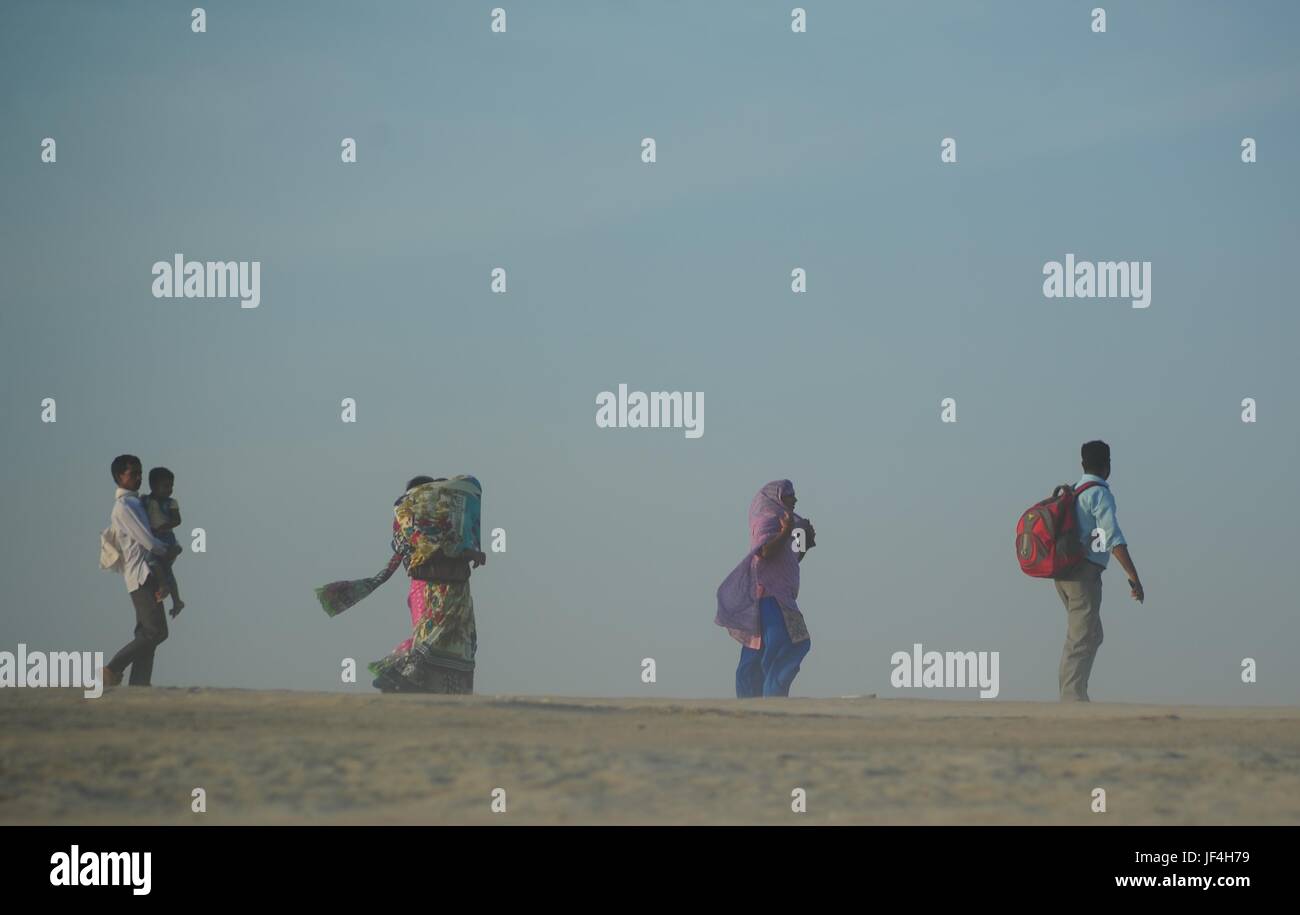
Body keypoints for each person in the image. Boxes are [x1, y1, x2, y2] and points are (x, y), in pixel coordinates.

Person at [316, 475, 487, 694]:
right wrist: (470, 552)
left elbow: (412, 553)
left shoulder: (405, 523)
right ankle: (400, 674)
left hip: (420, 588)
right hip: (443, 587)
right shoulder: (442, 527)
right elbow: (444, 547)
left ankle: (407, 679)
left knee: (429, 635)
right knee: (438, 637)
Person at [1056, 440, 1144, 702]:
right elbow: (1112, 537)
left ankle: (1075, 694)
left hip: (1063, 575)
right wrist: (1134, 577)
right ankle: (1071, 702)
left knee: (1092, 634)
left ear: (1083, 464)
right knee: (1080, 639)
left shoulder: (1074, 491)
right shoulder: (1099, 493)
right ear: (1107, 467)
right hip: (1083, 575)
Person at [716, 480, 816, 697]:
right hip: (772, 601)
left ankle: (754, 705)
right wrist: (786, 530)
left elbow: (786, 562)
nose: (794, 499)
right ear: (777, 497)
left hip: (772, 599)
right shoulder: (767, 520)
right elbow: (764, 552)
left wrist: (803, 543)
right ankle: (771, 698)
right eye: (790, 495)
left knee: (758, 655)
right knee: (791, 645)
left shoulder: (782, 522)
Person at [101, 455, 183, 687]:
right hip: (140, 576)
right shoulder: (124, 507)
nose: (138, 477)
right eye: (132, 473)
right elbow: (147, 540)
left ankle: (139, 684)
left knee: (149, 633)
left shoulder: (138, 502)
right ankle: (112, 669)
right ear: (119, 477)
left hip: (149, 574)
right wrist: (168, 550)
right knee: (154, 632)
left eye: (140, 473)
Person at [141, 466, 184, 616]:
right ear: (153, 486)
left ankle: (164, 586)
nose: (169, 490)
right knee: (164, 568)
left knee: (153, 560)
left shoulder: (171, 502)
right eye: (166, 486)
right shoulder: (145, 500)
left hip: (165, 537)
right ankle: (176, 600)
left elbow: (177, 520)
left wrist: (163, 527)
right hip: (154, 537)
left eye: (171, 486)